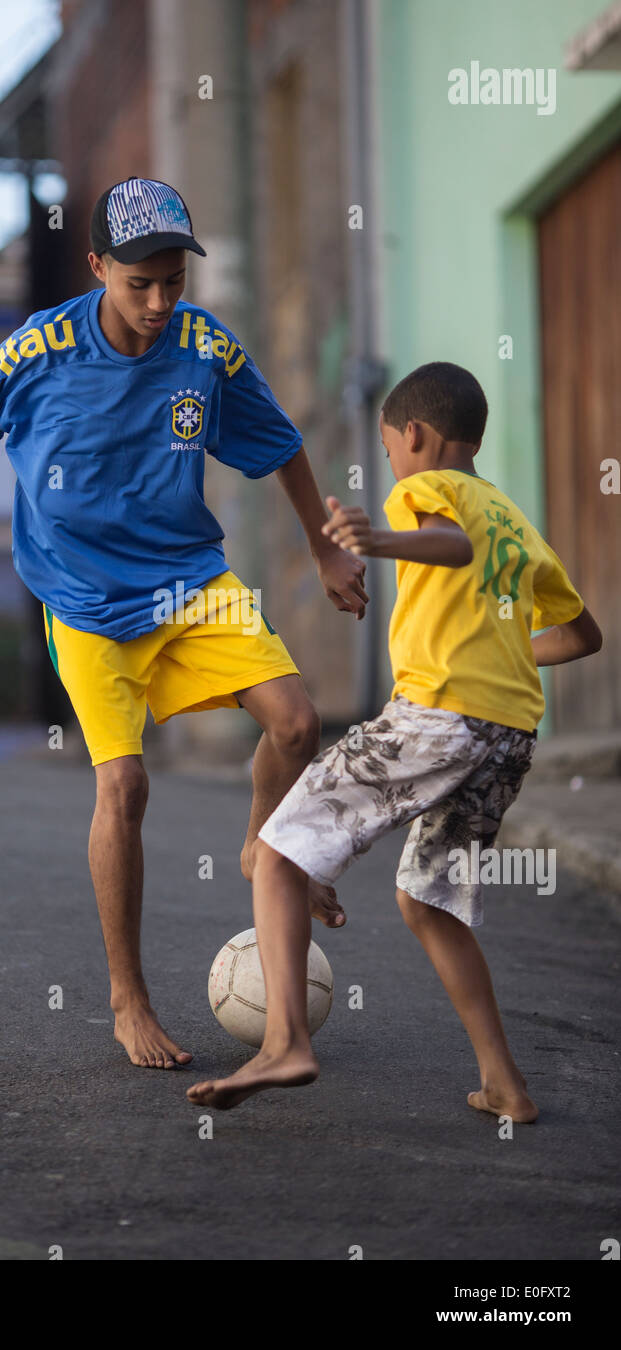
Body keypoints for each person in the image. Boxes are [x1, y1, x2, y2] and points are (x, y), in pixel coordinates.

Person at [0, 177, 368, 1071]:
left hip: (189, 579)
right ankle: (127, 999)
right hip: (83, 600)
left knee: (298, 723)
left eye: (172, 284)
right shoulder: (35, 353)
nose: (157, 303)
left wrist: (324, 550)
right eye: (138, 283)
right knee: (125, 792)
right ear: (98, 266)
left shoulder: (205, 353)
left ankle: (265, 844)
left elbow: (283, 448)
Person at [187, 360, 602, 1117]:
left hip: (436, 716)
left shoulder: (423, 491)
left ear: (412, 435)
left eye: (387, 450)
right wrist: (504, 651)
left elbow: (448, 545)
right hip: (505, 736)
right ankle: (504, 1084)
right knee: (429, 903)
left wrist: (374, 539)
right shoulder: (513, 520)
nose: (391, 464)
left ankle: (283, 1043)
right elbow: (581, 635)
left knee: (274, 852)